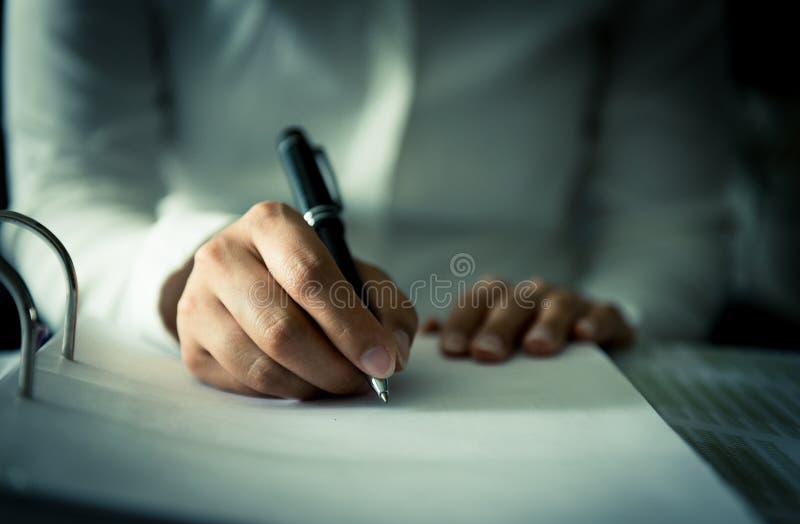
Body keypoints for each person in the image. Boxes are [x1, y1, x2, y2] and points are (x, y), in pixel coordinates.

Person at [3, 1, 732, 399]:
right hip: (195, 359)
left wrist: (611, 315)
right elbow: (63, 197)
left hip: (529, 358)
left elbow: (671, 230)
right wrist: (173, 284)